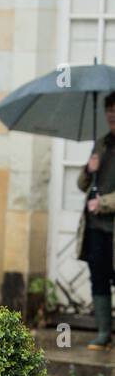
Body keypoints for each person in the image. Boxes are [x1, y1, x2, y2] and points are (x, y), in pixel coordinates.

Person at [78, 91, 115, 350]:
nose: (112, 114)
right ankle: (103, 332)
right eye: (109, 109)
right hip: (95, 228)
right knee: (98, 277)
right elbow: (83, 185)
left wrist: (103, 204)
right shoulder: (101, 144)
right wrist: (88, 169)